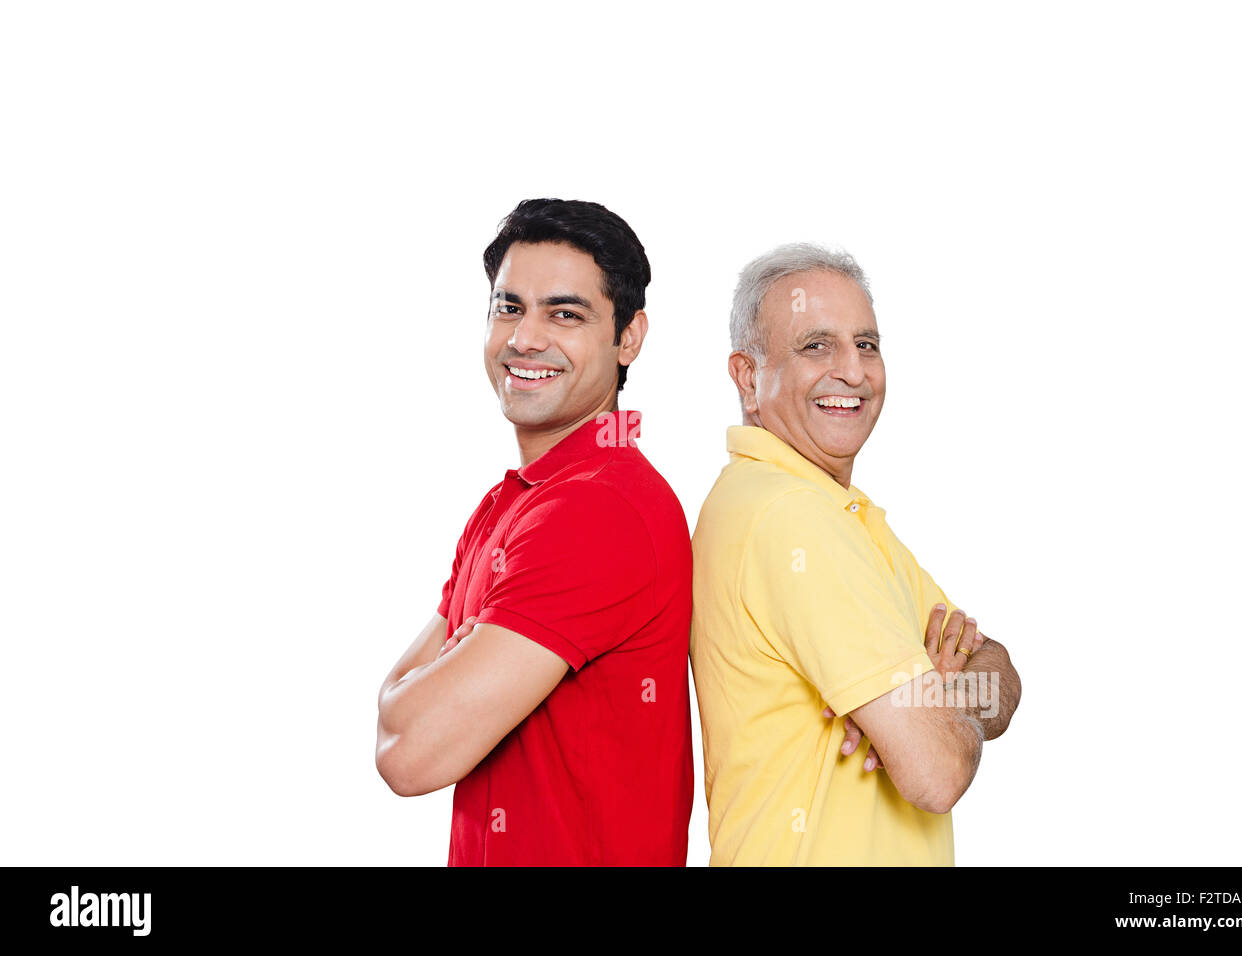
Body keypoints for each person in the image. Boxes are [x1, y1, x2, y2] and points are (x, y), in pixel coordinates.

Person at [375, 199, 693, 866]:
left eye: (565, 313)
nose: (525, 338)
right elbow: (396, 722)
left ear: (629, 337)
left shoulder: (600, 510)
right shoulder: (513, 501)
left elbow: (409, 752)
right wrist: (424, 688)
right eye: (509, 307)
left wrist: (435, 679)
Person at [690, 243, 1022, 865]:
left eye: (866, 344)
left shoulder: (842, 516)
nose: (853, 371)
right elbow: (936, 772)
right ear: (747, 376)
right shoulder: (789, 516)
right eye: (816, 346)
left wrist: (932, 703)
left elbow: (999, 671)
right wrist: (938, 709)